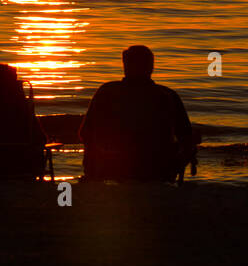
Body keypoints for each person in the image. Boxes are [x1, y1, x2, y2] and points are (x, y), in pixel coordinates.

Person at [79, 45, 197, 181]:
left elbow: (85, 133)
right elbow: (186, 137)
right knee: (187, 143)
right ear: (151, 67)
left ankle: (94, 177)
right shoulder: (167, 95)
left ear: (125, 65)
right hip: (158, 170)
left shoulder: (107, 92)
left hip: (110, 168)